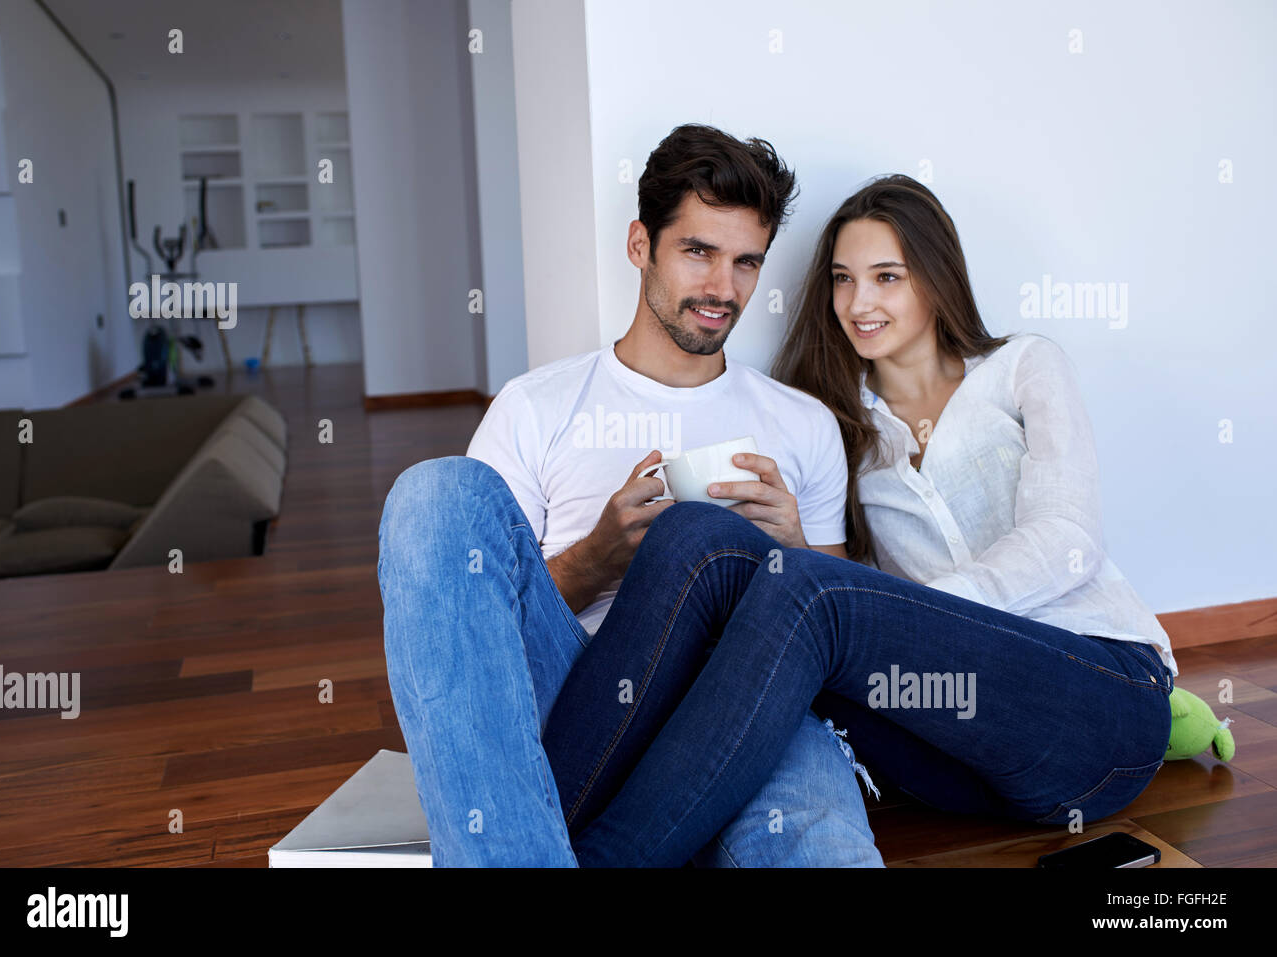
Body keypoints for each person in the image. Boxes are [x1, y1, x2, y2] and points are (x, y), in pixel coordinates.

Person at [541, 174, 1179, 867]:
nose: (859, 302)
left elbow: (1068, 541)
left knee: (809, 593)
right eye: (844, 279)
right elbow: (853, 615)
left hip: (1103, 701)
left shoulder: (1023, 366)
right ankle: (535, 831)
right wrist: (795, 546)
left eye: (886, 277)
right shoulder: (835, 423)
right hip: (959, 757)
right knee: (697, 535)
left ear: (936, 279)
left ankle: (602, 859)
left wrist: (919, 616)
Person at [377, 124, 883, 867]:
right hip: (572, 695)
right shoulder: (536, 405)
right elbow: (473, 626)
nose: (722, 289)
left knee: (818, 839)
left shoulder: (802, 424)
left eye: (747, 262)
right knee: (433, 493)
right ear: (640, 245)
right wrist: (595, 561)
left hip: (740, 695)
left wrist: (797, 552)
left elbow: (846, 642)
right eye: (698, 252)